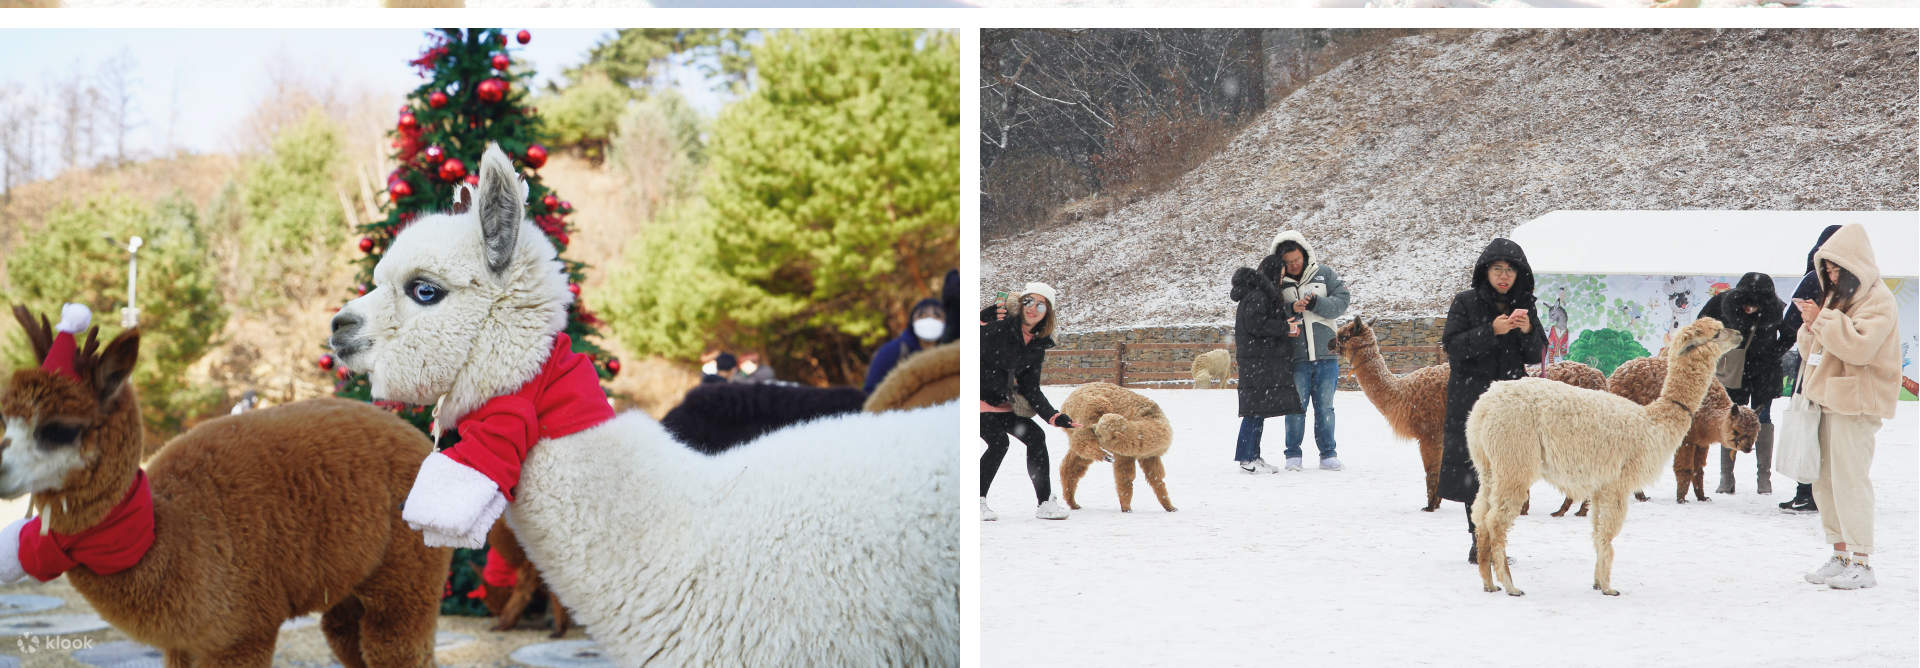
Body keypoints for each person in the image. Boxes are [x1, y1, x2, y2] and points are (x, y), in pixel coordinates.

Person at [1791, 224, 1898, 590]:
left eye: (1837, 269)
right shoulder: (1837, 299)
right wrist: (1809, 326)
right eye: (1828, 269)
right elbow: (1815, 351)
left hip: (1857, 402)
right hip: (1827, 399)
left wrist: (1821, 319)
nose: (1832, 276)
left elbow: (1859, 348)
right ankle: (1840, 555)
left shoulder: (1877, 300)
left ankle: (1862, 561)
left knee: (1850, 481)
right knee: (1825, 483)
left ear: (1854, 265)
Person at [1439, 238, 1547, 565]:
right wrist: (1490, 331)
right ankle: (1479, 542)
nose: (1504, 276)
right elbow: (1452, 346)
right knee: (1476, 473)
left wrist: (1528, 331)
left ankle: (1495, 539)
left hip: (1511, 405)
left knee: (1505, 474)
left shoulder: (1524, 305)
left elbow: (1536, 354)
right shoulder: (1465, 302)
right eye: (1497, 269)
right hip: (1472, 400)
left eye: (1510, 270)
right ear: (1485, 271)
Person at [979, 282, 1080, 521]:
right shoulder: (999, 326)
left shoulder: (1036, 346)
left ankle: (1045, 503)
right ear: (1021, 304)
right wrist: (981, 322)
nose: (1033, 308)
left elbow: (1030, 388)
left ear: (1048, 313)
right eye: (1028, 301)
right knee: (998, 442)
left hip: (1004, 405)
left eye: (1041, 305)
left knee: (1036, 436)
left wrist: (1054, 415)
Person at [1697, 271, 1787, 495]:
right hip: (1734, 370)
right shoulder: (1722, 303)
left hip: (1765, 372)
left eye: (1756, 304)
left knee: (1763, 418)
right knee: (1730, 417)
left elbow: (1789, 333)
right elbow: (1701, 327)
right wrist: (1719, 348)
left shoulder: (1775, 309)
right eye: (1747, 303)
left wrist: (1774, 352)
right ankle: (1726, 477)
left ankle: (1763, 478)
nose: (1750, 308)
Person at [1271, 230, 1352, 471]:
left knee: (1325, 407)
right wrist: (1290, 308)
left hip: (1326, 354)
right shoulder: (1277, 283)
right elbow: (1270, 313)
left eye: (1297, 259)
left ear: (1305, 254)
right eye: (1288, 262)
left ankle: (1328, 454)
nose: (1294, 265)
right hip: (1296, 358)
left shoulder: (1324, 274)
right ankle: (1292, 454)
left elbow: (1342, 301)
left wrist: (1317, 303)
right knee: (1295, 408)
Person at [1777, 224, 1843, 513]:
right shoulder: (1860, 283)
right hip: (1843, 368)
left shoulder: (1814, 279)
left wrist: (1778, 347)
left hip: (1814, 363)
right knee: (1836, 432)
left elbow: (1792, 322)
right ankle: (1831, 492)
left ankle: (1807, 491)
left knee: (1809, 426)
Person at [1229, 253, 1304, 474]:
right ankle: (1247, 458)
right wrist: (1285, 328)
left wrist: (1284, 325)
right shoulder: (1258, 296)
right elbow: (1257, 325)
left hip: (1258, 361)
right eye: (1280, 276)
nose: (1281, 280)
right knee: (1253, 412)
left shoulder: (1256, 294)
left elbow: (1260, 323)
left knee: (1257, 411)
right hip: (1257, 363)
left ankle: (1253, 455)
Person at [864, 298, 946, 394]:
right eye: (922, 316)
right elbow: (871, 391)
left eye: (937, 316)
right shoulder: (891, 351)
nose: (929, 320)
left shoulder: (951, 352)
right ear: (912, 321)